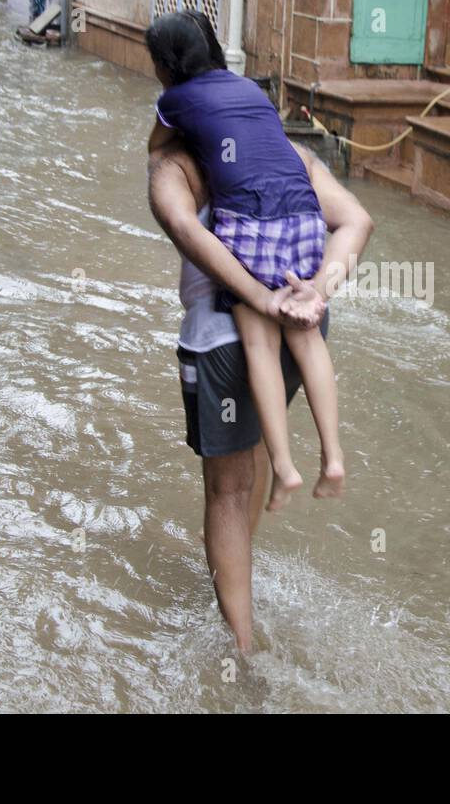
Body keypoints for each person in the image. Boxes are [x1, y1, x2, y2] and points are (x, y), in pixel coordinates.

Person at [147, 122, 373, 654]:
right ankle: (323, 461)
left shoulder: (181, 158)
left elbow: (180, 220)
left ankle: (239, 646)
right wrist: (318, 290)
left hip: (223, 335)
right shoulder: (289, 151)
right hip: (303, 311)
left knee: (228, 489)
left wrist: (254, 293)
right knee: (261, 440)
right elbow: (358, 221)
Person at [145, 10, 345, 513]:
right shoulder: (253, 90)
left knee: (260, 343)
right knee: (306, 339)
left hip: (252, 227)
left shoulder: (174, 99)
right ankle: (334, 458)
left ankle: (284, 468)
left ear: (165, 67)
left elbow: (156, 149)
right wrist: (317, 288)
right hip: (303, 219)